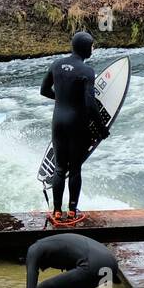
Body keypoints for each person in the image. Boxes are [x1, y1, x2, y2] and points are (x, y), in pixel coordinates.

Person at [39, 30, 106, 224]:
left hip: (58, 122)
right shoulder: (87, 72)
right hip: (77, 124)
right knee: (75, 170)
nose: (93, 49)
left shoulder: (57, 64)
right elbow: (90, 104)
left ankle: (57, 211)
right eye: (92, 46)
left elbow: (44, 90)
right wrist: (101, 128)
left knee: (60, 169)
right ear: (86, 49)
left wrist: (61, 99)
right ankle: (72, 212)